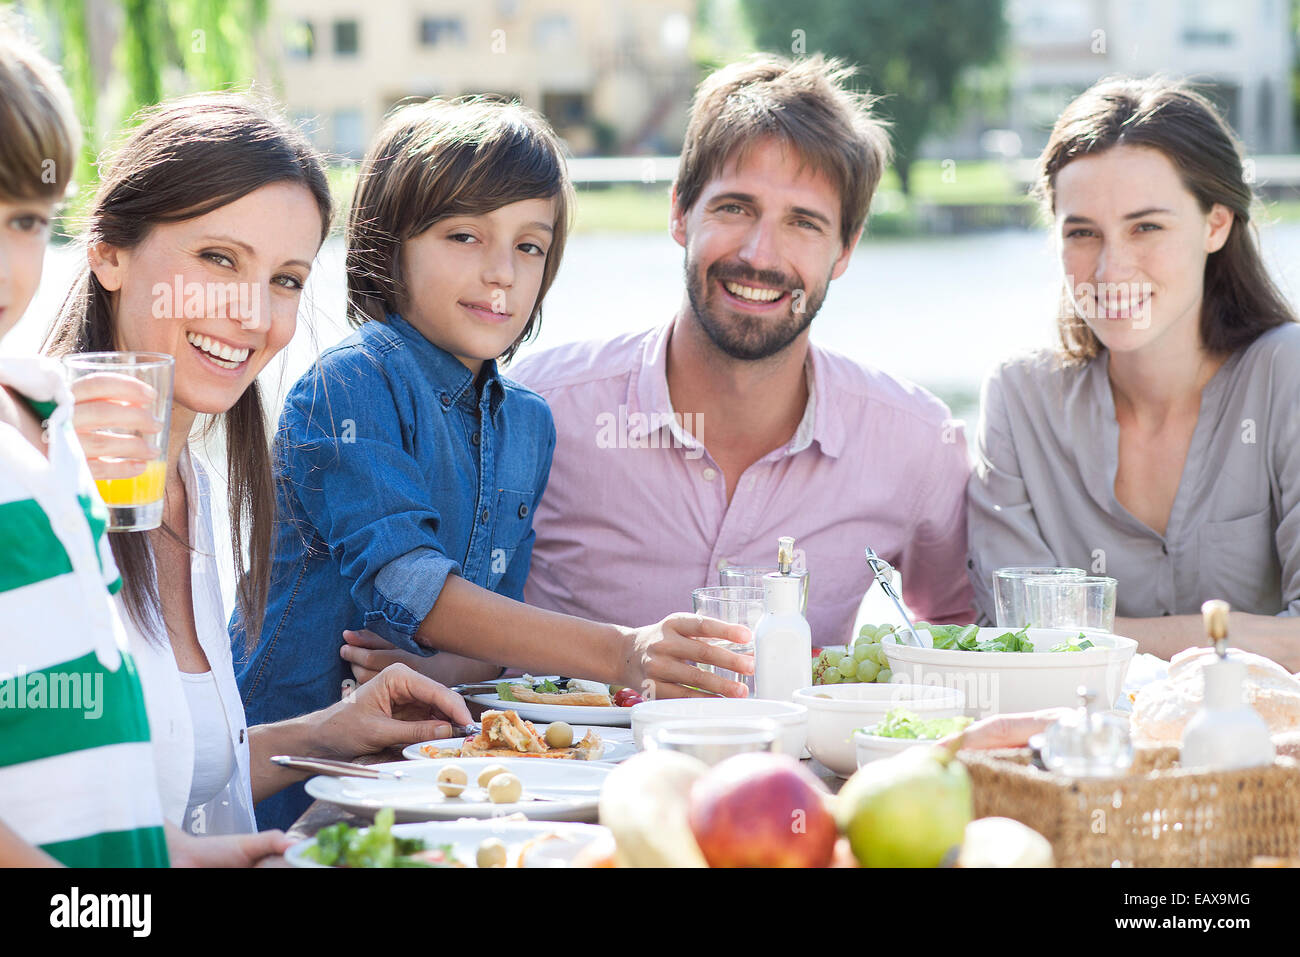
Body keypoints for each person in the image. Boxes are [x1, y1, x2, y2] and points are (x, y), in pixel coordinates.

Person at [235, 97, 752, 830]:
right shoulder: (349, 385)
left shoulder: (529, 424)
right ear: (389, 246)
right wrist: (624, 650)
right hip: (286, 786)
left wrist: (435, 672)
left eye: (530, 246)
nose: (501, 273)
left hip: (435, 785)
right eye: (464, 236)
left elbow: (486, 632)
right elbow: (418, 590)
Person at [44, 93, 474, 851]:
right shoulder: (31, 481)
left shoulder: (196, 492)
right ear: (108, 250)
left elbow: (177, 784)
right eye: (219, 259)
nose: (253, 313)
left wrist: (330, 730)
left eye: (285, 279)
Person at [500, 54, 976, 646]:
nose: (759, 255)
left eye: (804, 222)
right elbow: (443, 628)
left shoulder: (917, 442)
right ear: (680, 211)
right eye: (735, 208)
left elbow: (964, 640)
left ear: (846, 249)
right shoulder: (535, 410)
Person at [967, 76, 1300, 667]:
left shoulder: (1287, 373)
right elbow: (1015, 637)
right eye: (1083, 233)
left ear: (1216, 224)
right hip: (1075, 752)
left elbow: (1046, 639)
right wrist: (1239, 635)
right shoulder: (1020, 400)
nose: (1111, 268)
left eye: (1146, 227)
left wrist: (1089, 631)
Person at [0, 26, 171, 868]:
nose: (4, 270)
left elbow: (90, 742)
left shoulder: (42, 411)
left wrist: (167, 853)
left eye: (25, 221)